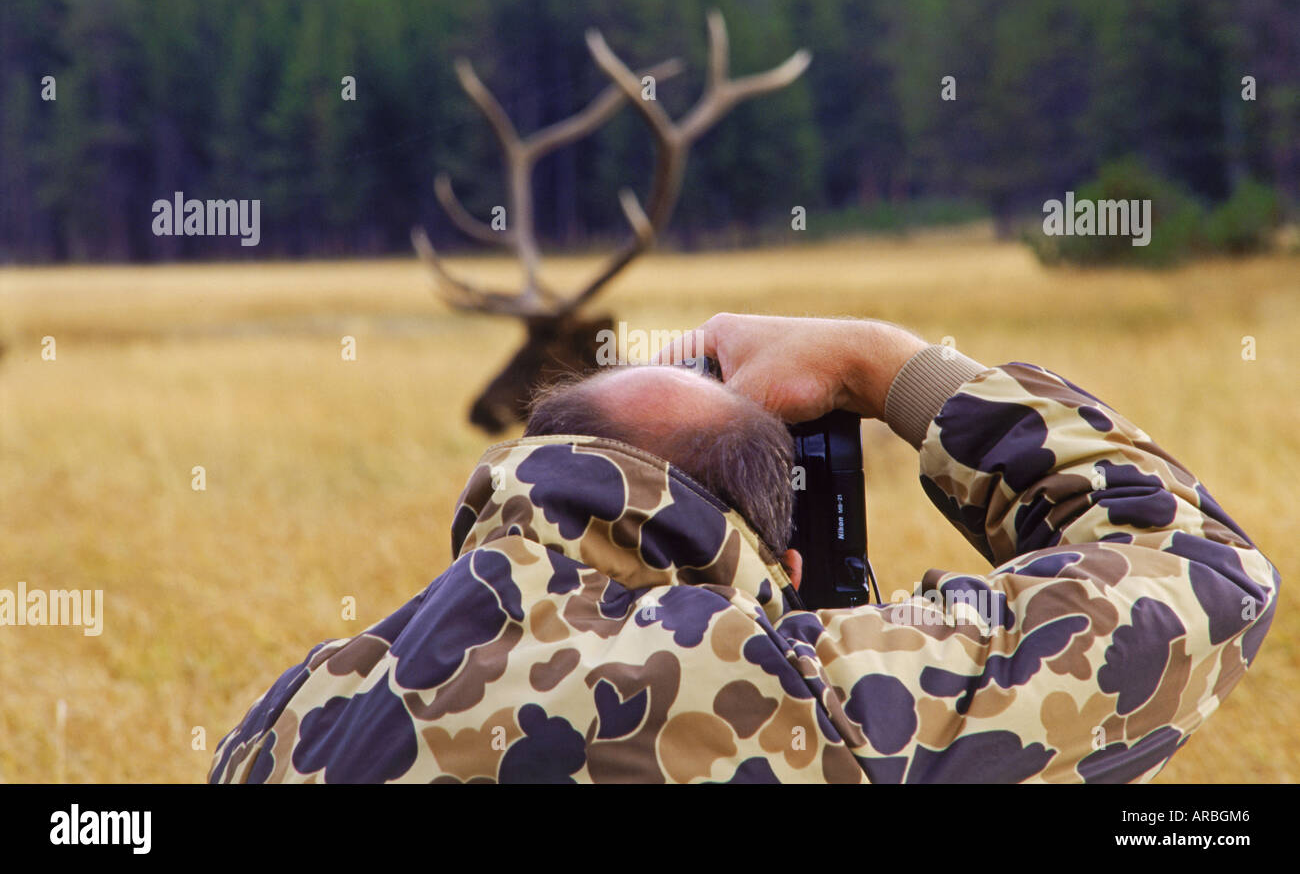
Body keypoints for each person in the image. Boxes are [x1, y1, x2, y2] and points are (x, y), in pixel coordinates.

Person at [208, 314, 1279, 783]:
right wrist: (883, 365)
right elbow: (1201, 570)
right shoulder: (792, 695)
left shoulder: (292, 714)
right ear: (781, 560)